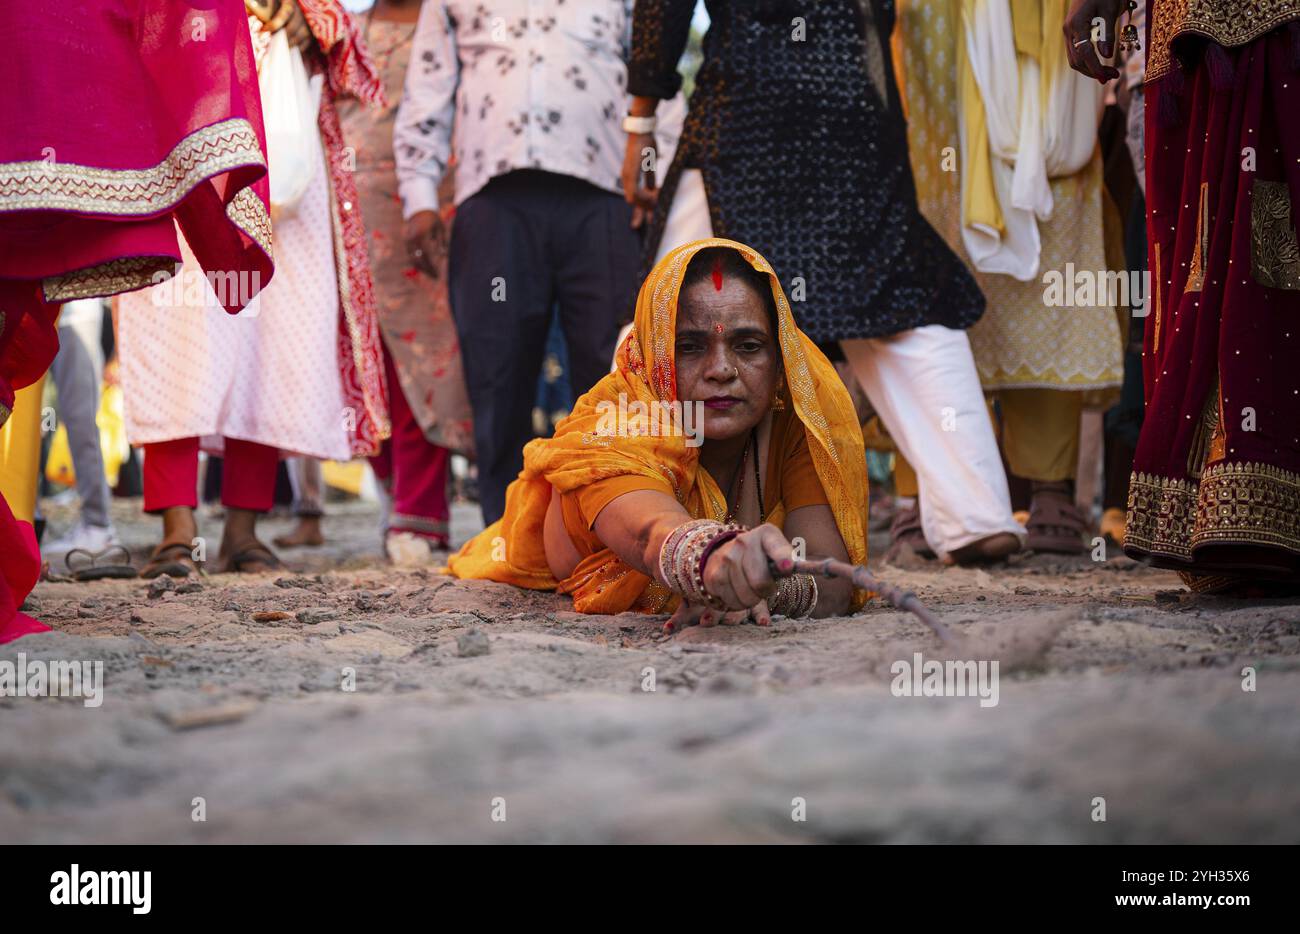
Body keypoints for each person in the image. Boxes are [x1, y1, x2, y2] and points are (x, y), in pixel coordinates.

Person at [623, 0, 1024, 565]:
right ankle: (976, 512)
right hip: (853, 106)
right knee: (899, 299)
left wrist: (641, 121)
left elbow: (661, 13)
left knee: (670, 312)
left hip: (748, 108)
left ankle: (623, 493)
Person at [0, 0, 274, 642]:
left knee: (258, 362)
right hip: (83, 89)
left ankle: (239, 525)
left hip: (85, 90)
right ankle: (176, 525)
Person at [447, 239, 869, 628]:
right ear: (651, 357)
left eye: (748, 345)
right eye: (689, 347)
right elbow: (652, 534)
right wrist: (708, 560)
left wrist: (765, 585)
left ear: (780, 360)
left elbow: (832, 580)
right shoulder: (612, 430)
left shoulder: (796, 424)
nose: (722, 370)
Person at [115, 0, 388, 578]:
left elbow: (350, 50)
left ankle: (245, 528)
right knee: (174, 327)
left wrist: (302, 13)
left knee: (275, 335)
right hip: (179, 127)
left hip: (287, 157)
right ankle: (176, 529)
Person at [1068, 0, 1300, 591]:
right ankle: (1244, 520)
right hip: (1215, 37)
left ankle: (1256, 522)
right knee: (1232, 253)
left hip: (1243, 37)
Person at [395, 0, 645, 526]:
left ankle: (609, 528)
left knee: (612, 367)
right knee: (497, 371)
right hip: (493, 202)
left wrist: (651, 172)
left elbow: (653, 78)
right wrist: (418, 195)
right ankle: (507, 535)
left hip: (601, 197)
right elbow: (428, 87)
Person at [893, 0, 1123, 555]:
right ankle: (925, 491)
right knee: (930, 227)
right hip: (927, 34)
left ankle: (1051, 488)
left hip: (1044, 22)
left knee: (1054, 241)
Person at [338, 0, 474, 563]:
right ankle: (396, 497)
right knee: (362, 355)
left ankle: (421, 511)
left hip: (431, 207)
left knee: (428, 357)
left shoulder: (454, 20)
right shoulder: (345, 29)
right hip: (350, 211)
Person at [43, 298, 120, 556]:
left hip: (74, 310)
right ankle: (24, 519)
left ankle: (98, 524)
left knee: (80, 416)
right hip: (35, 310)